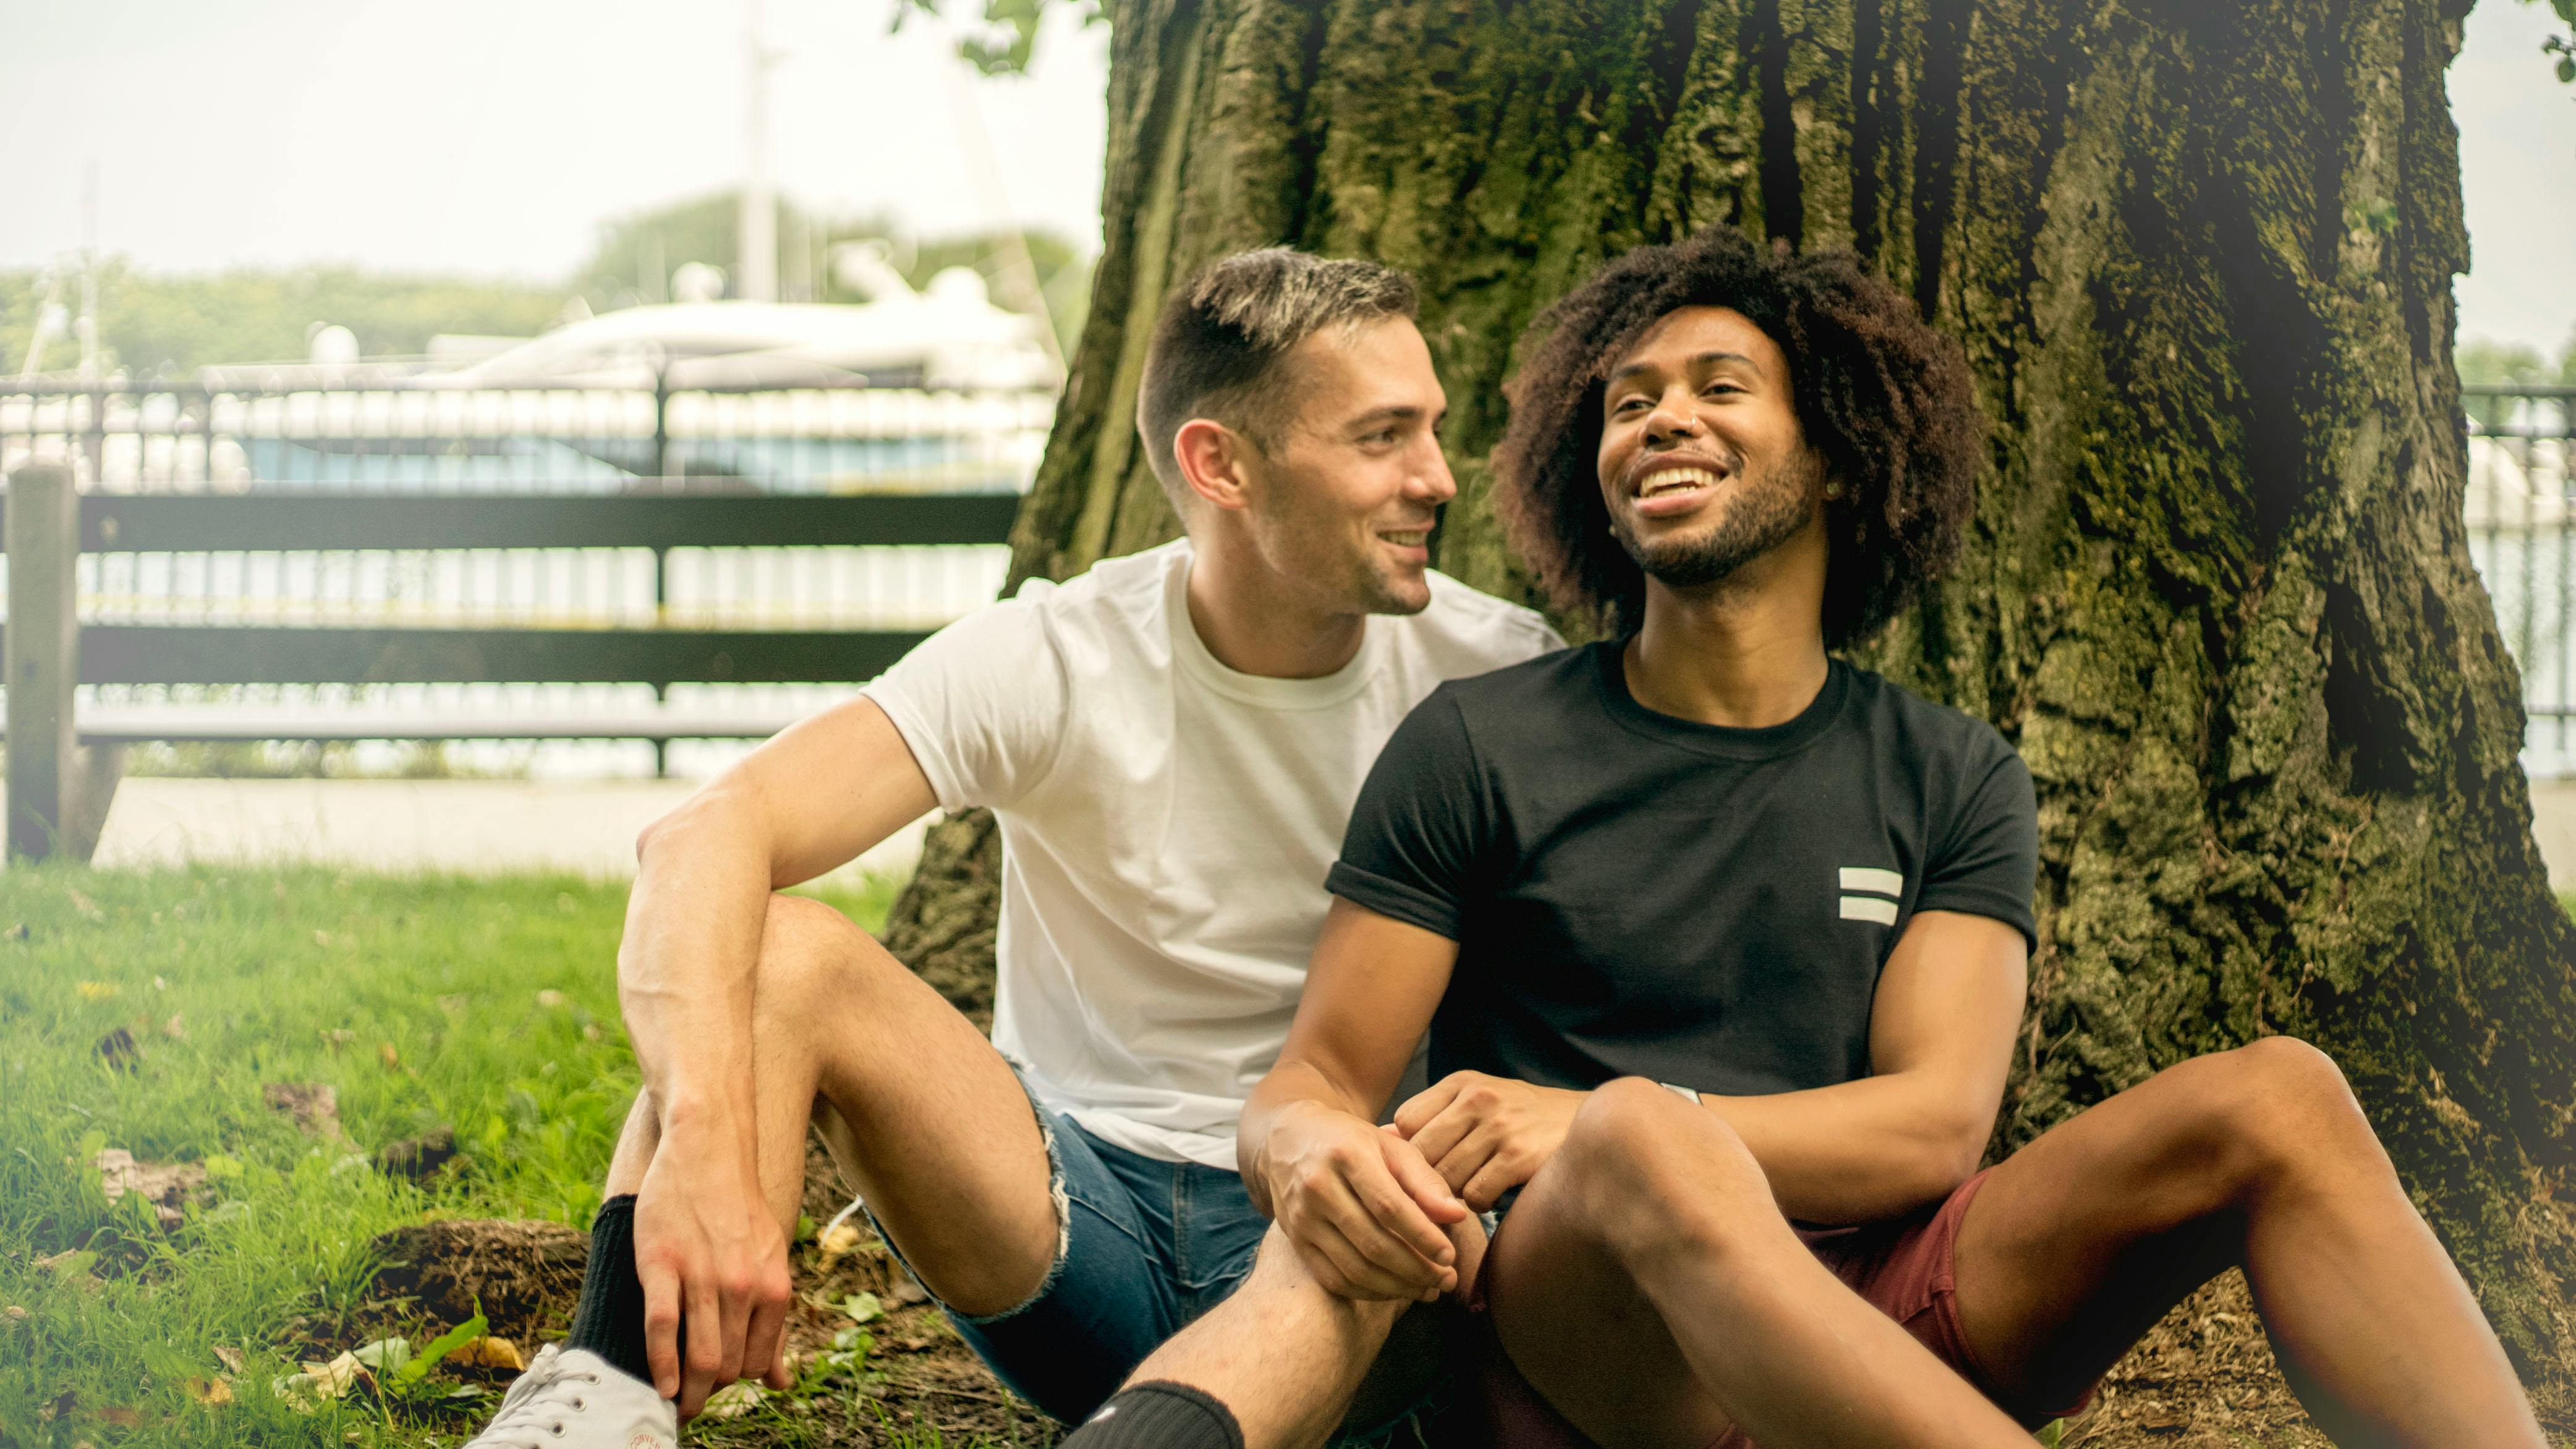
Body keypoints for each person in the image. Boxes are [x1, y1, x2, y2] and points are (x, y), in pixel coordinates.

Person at [1222, 226, 2548, 1448]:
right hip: (1592, 1344)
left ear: (1839, 449)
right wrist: (1309, 1146)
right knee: (1640, 1140)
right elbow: (1314, 1081)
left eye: (1718, 386)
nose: (1663, 417)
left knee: (2278, 1092)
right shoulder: (1478, 745)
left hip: (1877, 1298)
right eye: (1628, 403)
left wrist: (1569, 1113)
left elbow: (1930, 1129)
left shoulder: (1948, 771)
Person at [461, 247, 1562, 1449]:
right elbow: (705, 833)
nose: (1437, 478)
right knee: (777, 950)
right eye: (1381, 436)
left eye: (1433, 430)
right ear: (1220, 463)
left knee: (1363, 1203)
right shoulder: (1060, 655)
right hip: (1070, 1221)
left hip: (1343, 1242)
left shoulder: (1495, 677)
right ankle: (600, 1393)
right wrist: (708, 1152)